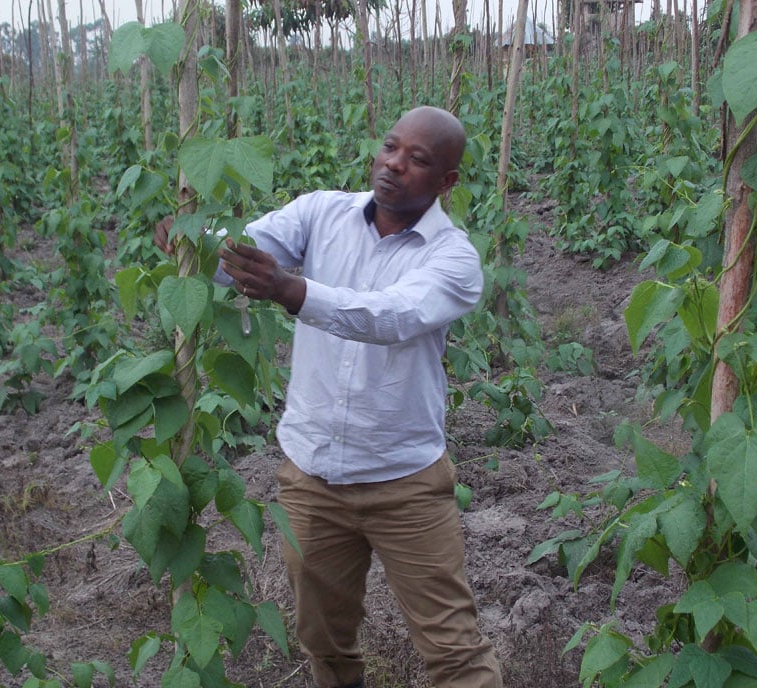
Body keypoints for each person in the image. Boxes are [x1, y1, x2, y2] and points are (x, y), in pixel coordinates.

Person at [157, 106, 502, 688]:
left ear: (447, 182)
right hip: (311, 478)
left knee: (453, 650)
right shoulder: (321, 213)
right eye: (391, 147)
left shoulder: (454, 259)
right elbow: (240, 254)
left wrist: (293, 291)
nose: (394, 164)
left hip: (405, 482)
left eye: (418, 160)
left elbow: (392, 315)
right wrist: (189, 238)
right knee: (324, 642)